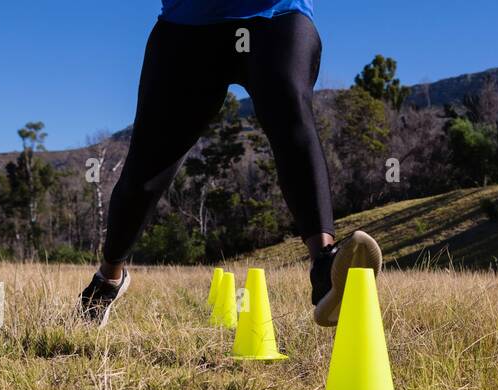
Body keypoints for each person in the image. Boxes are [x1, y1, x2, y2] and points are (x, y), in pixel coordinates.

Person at [80, 0, 381, 328]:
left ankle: (325, 265)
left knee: (289, 106)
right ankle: (108, 278)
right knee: (146, 169)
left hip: (277, 15)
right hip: (189, 25)